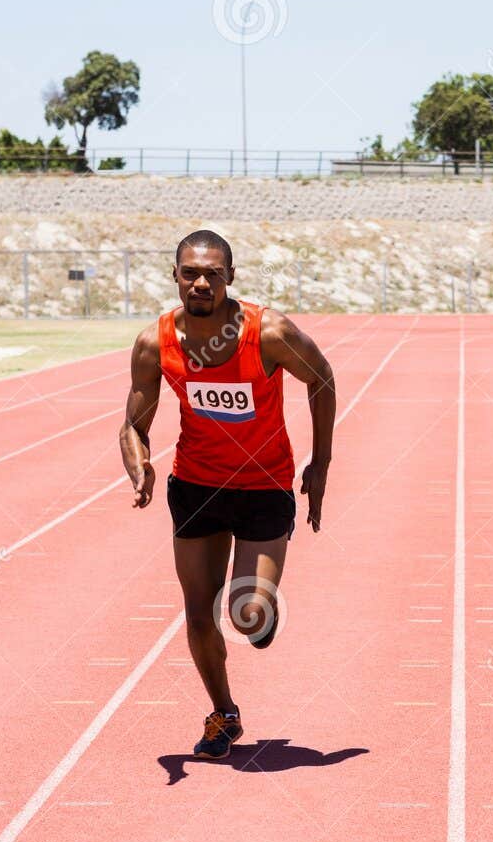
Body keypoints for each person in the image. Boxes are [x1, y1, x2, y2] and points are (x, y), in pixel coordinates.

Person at [120, 229, 335, 759]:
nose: (200, 282)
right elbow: (133, 424)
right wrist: (138, 461)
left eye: (212, 273)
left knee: (248, 614)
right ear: (174, 276)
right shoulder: (155, 343)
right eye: (190, 272)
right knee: (197, 612)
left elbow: (322, 377)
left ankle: (259, 613)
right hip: (196, 486)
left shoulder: (269, 333)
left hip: (263, 486)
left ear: (230, 277)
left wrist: (321, 462)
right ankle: (224, 712)